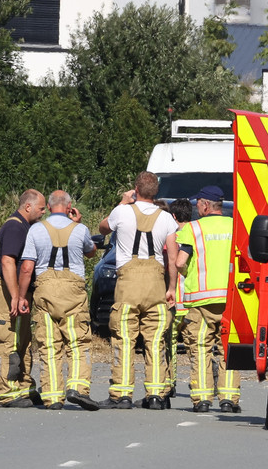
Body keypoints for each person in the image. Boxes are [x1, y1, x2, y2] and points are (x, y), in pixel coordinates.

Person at [98, 171, 179, 409]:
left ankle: (122, 394)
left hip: (128, 285)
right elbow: (172, 257)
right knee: (155, 341)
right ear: (156, 193)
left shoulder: (121, 212)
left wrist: (122, 202)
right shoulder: (166, 218)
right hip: (155, 284)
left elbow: (103, 229)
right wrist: (171, 287)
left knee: (123, 338)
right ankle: (155, 395)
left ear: (135, 188)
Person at [16, 190, 99, 411]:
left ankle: (53, 397)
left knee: (49, 345)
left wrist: (22, 296)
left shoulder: (36, 229)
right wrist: (78, 223)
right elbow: (91, 252)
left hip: (45, 289)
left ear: (50, 207)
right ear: (70, 206)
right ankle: (78, 389)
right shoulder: (80, 229)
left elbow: (26, 267)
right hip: (73, 292)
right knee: (78, 342)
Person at [176, 185, 241, 413]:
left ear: (204, 205)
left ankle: (202, 399)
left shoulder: (192, 229)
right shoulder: (236, 225)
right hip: (231, 299)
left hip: (201, 301)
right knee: (227, 350)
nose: (196, 208)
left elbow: (179, 262)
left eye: (197, 204)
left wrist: (187, 276)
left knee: (201, 348)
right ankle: (229, 399)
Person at [0, 189, 45, 407]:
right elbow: (8, 262)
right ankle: (7, 392)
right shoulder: (15, 226)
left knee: (22, 338)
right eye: (41, 208)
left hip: (18, 289)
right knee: (7, 338)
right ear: (28, 207)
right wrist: (15, 296)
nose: (44, 212)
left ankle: (24, 386)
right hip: (5, 287)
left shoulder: (27, 226)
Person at [163, 197, 195, 399]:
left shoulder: (171, 237)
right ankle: (203, 381)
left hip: (175, 300)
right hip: (194, 299)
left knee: (170, 343)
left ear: (173, 216)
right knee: (197, 346)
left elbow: (170, 264)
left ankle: (170, 382)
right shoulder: (196, 234)